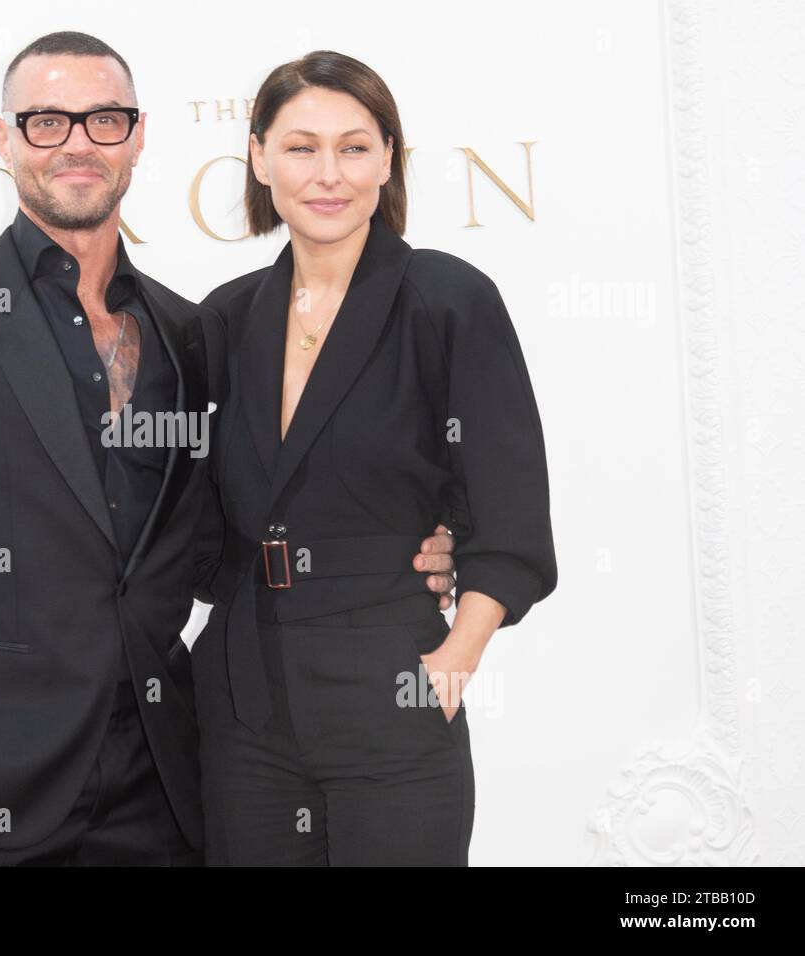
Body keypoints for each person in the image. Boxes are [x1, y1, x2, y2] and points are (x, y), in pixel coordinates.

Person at [0, 32, 457, 866]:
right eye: (47, 120)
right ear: (5, 137)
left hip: (161, 776)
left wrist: (402, 553)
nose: (79, 142)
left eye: (104, 119)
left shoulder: (189, 329)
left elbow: (212, 542)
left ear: (139, 135)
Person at [192, 50, 558, 866]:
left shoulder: (448, 299)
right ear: (258, 156)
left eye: (355, 147)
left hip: (394, 691)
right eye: (300, 146)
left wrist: (452, 664)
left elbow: (511, 511)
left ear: (389, 158)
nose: (329, 173)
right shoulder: (224, 319)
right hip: (241, 703)